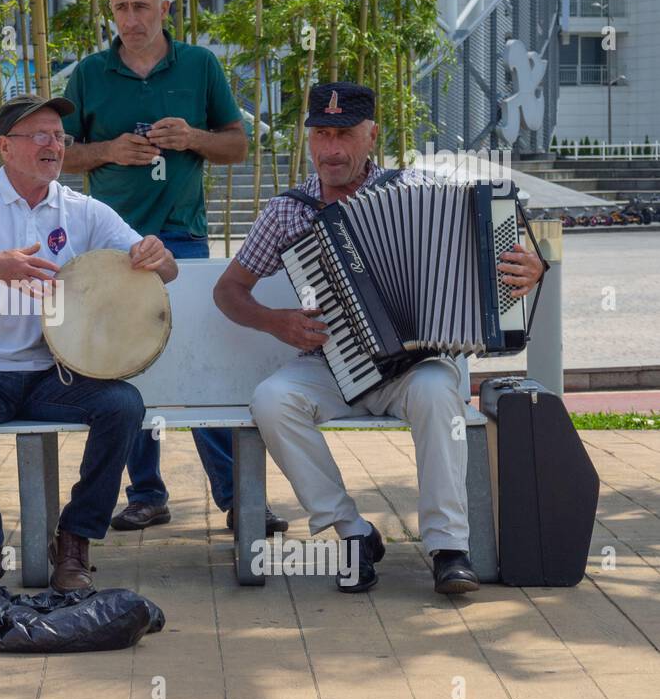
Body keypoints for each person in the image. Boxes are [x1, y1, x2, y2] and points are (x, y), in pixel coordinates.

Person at [213, 82, 546, 594]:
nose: (330, 149)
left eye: (343, 134)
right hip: (327, 364)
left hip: (411, 365)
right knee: (272, 400)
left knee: (439, 393)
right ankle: (353, 533)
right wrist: (276, 321)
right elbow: (229, 291)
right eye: (320, 135)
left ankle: (448, 548)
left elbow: (496, 250)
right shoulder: (287, 211)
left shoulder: (417, 189)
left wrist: (530, 268)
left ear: (371, 136)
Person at [0, 94, 178, 592]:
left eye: (59, 136)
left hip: (55, 372)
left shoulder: (84, 211)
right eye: (40, 135)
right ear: (5, 146)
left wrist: (155, 255)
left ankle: (75, 541)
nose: (54, 145)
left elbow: (168, 270)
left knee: (122, 405)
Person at [61, 0, 286, 537]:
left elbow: (237, 144)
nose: (131, 20)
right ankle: (146, 494)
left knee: (202, 367)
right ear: (110, 13)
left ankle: (238, 497)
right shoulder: (89, 74)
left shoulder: (200, 66)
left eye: (142, 7)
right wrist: (109, 149)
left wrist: (192, 139)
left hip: (183, 240)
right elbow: (59, 157)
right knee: (122, 364)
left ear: (166, 10)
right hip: (112, 244)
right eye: (121, 9)